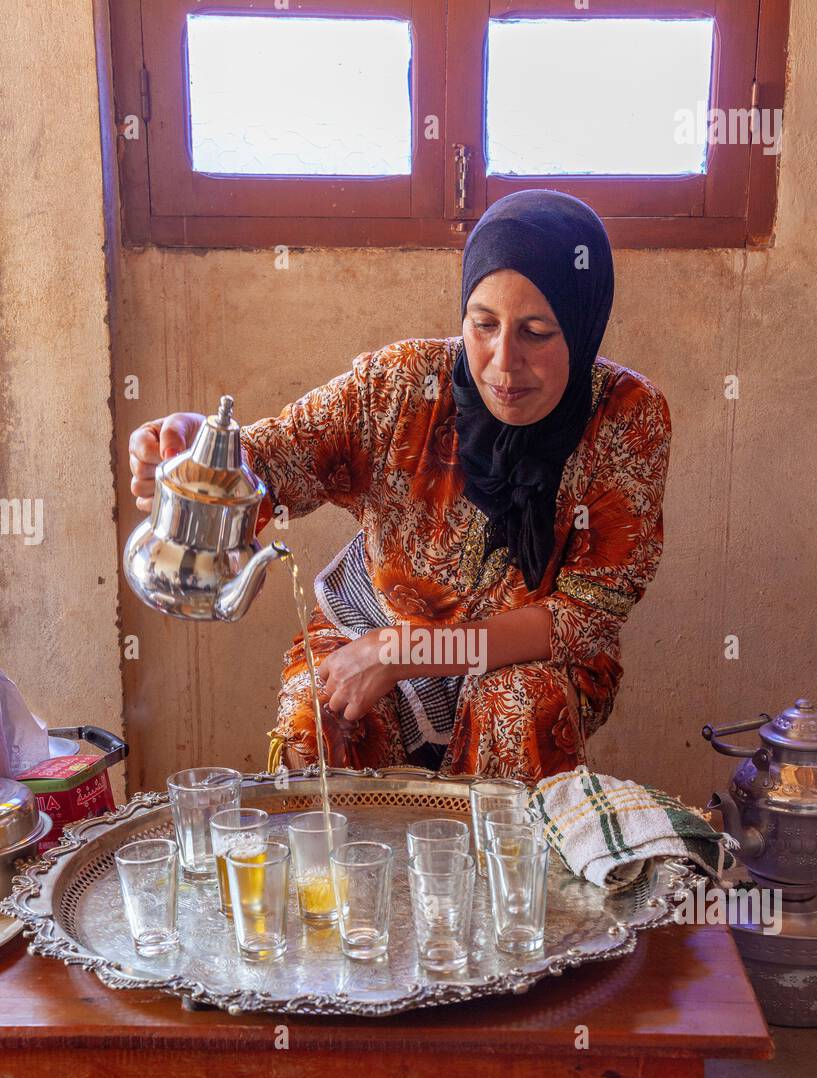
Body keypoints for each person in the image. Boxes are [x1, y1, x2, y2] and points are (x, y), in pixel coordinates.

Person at [128, 190, 671, 783]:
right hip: (371, 618)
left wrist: (405, 653)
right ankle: (350, 880)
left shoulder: (626, 417)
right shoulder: (402, 385)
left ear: (584, 324)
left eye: (537, 332)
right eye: (483, 324)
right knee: (321, 718)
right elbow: (270, 457)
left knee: (520, 707)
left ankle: (495, 876)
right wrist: (192, 444)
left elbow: (583, 615)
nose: (503, 363)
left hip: (529, 656)